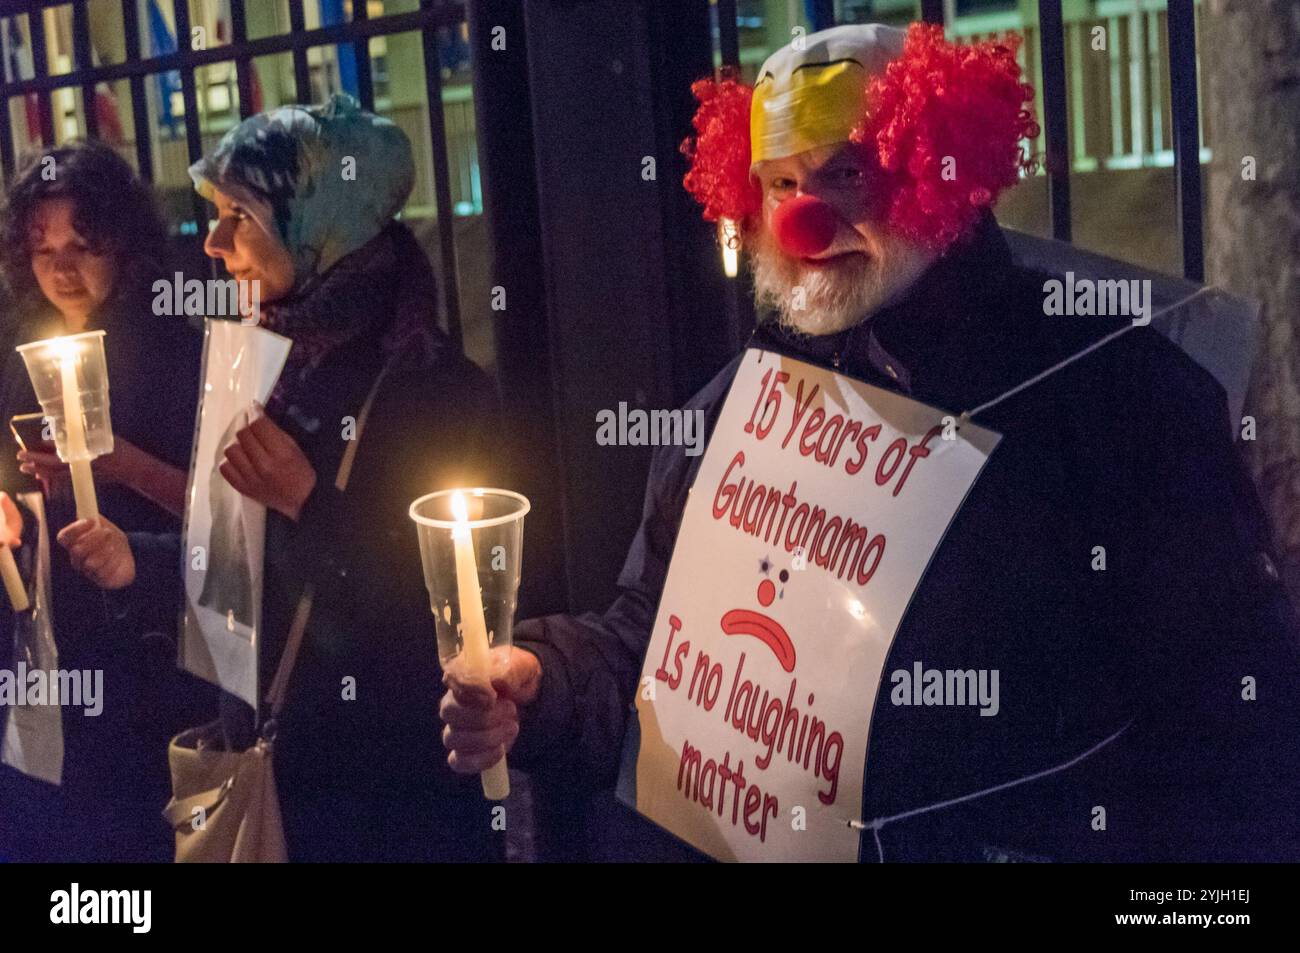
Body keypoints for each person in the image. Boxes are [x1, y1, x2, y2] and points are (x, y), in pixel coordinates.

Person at [438, 23, 1300, 861]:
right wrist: (544, 680)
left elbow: (1235, 723)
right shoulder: (731, 409)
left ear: (934, 168)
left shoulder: (1116, 395)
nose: (802, 223)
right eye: (776, 185)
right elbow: (651, 638)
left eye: (844, 172)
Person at [62, 95, 505, 862]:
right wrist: (141, 558)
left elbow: (447, 614)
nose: (214, 242)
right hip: (271, 766)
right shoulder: (255, 363)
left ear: (322, 227)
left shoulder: (433, 389)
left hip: (385, 801)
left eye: (243, 217)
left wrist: (310, 500)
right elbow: (241, 564)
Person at [0, 140, 209, 862]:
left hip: (157, 646)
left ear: (122, 243)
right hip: (54, 646)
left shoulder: (175, 351)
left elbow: (226, 514)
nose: (61, 268)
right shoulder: (22, 350)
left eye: (82, 245)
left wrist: (118, 464)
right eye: (43, 247)